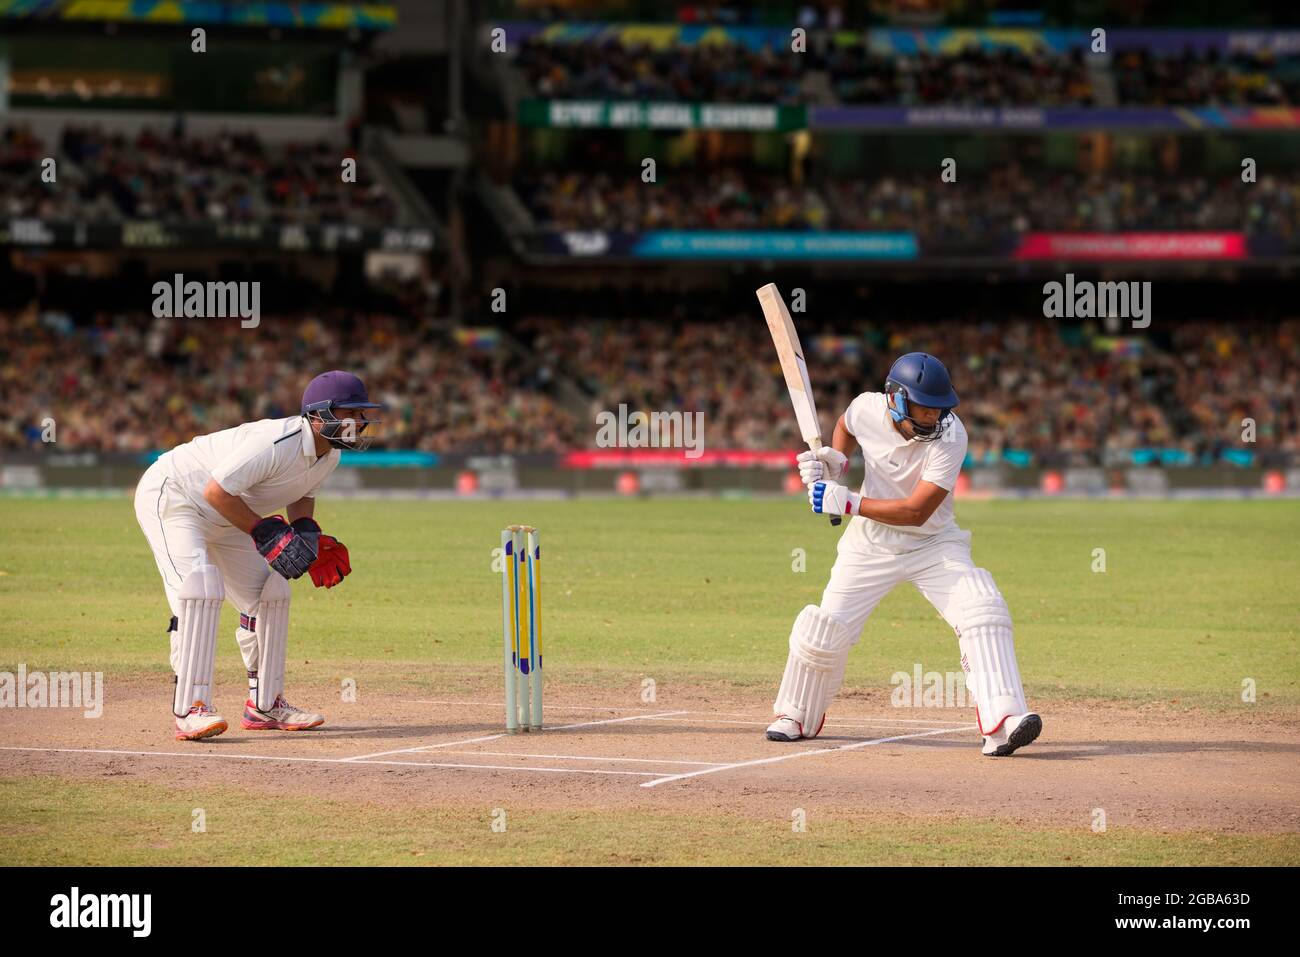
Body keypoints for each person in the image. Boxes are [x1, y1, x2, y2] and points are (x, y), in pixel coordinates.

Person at [767, 352, 1041, 756]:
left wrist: (847, 502)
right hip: (869, 546)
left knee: (983, 609)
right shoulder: (866, 407)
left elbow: (916, 512)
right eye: (923, 408)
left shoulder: (952, 435)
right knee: (823, 630)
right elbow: (845, 424)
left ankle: (1003, 719)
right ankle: (796, 714)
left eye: (938, 409)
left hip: (932, 543)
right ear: (894, 398)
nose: (933, 417)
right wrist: (836, 462)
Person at [133, 371, 383, 740]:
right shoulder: (276, 442)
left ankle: (265, 705)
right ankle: (191, 708)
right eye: (351, 413)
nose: (359, 423)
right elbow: (215, 490)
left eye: (361, 414)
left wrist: (306, 534)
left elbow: (302, 493)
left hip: (228, 512)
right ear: (319, 415)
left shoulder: (329, 455)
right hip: (177, 498)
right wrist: (264, 532)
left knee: (270, 595)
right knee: (199, 592)